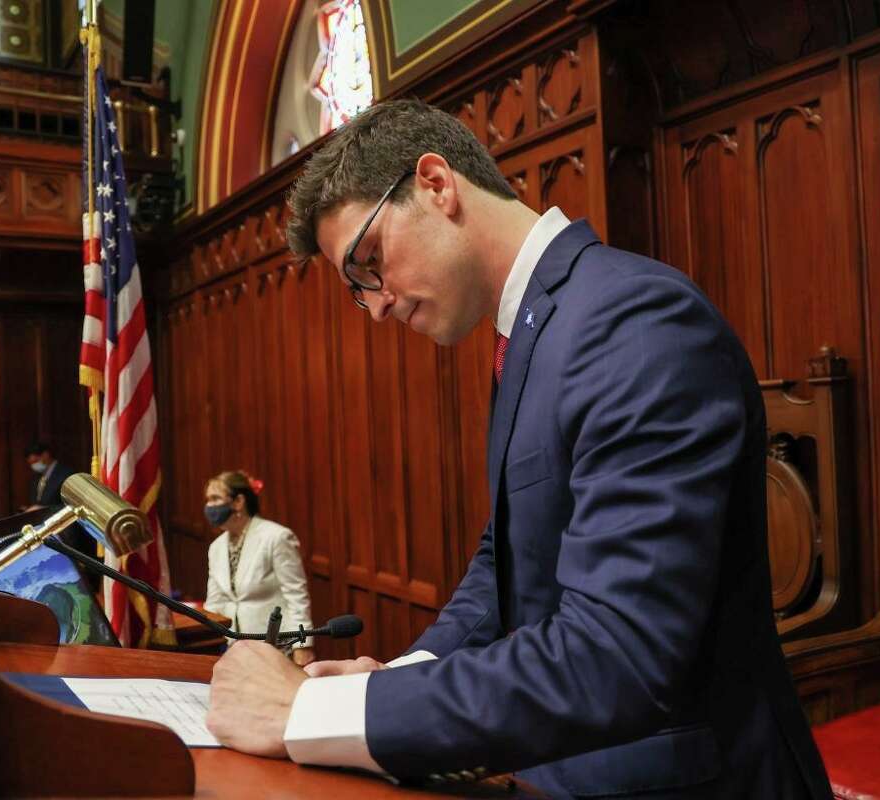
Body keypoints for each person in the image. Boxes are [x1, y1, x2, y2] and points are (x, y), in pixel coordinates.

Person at [204, 99, 832, 798]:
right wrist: (404, 676)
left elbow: (615, 657)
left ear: (437, 184)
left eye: (370, 261)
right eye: (358, 291)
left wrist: (309, 712)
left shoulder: (632, 320)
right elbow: (509, 554)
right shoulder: (536, 329)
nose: (376, 306)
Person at [203, 471, 314, 667]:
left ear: (238, 502)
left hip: (275, 646)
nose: (209, 506)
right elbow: (215, 602)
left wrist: (303, 646)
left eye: (215, 499)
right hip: (234, 649)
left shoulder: (276, 537)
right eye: (208, 500)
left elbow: (296, 596)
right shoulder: (217, 547)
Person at [25, 440, 68, 510]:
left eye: (35, 461)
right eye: (31, 463)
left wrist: (44, 509)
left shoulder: (65, 474)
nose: (33, 465)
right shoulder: (36, 477)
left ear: (45, 455)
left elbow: (71, 505)